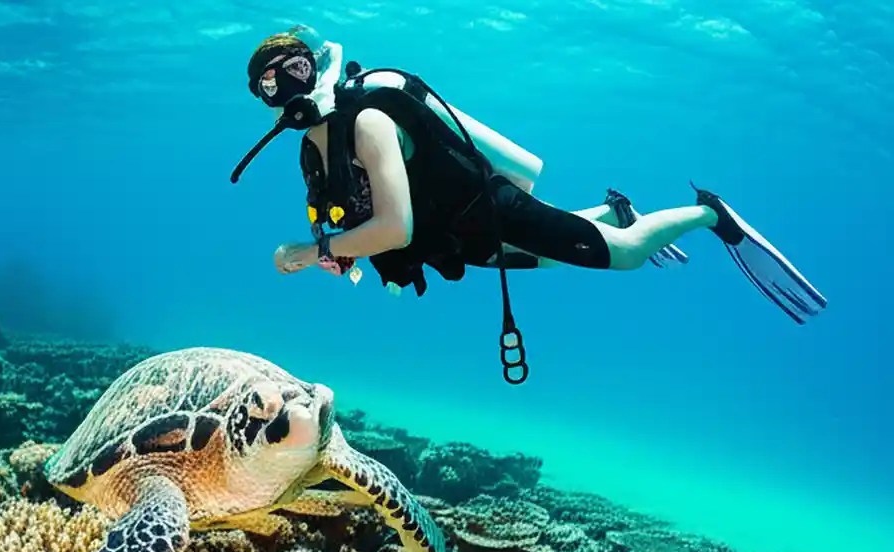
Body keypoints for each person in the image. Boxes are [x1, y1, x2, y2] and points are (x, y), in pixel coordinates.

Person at [229, 27, 827, 382]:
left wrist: (313, 252)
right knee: (545, 258)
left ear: (316, 70)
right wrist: (339, 255)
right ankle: (608, 211)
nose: (292, 86)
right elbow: (353, 221)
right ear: (267, 99)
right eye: (274, 83)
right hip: (457, 242)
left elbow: (393, 224)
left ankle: (708, 214)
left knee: (621, 258)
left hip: (487, 210)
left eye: (298, 68)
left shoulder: (369, 122)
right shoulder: (311, 150)